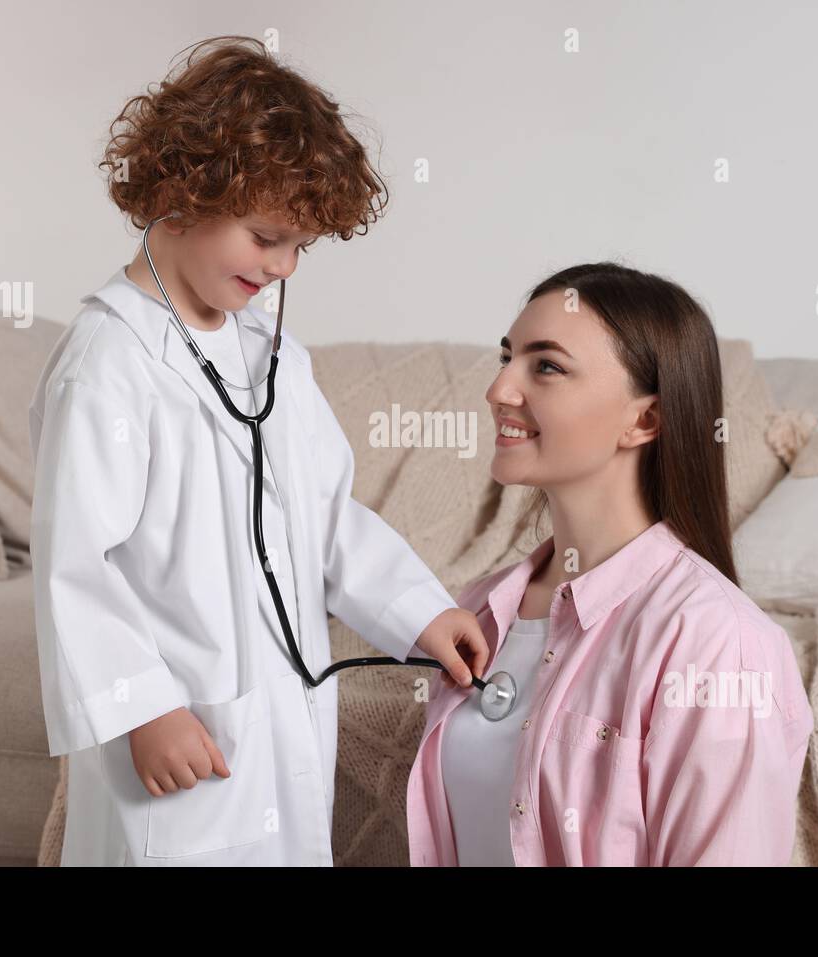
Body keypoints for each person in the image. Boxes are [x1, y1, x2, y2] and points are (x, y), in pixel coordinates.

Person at [29, 35, 487, 867]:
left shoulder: (270, 357)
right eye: (265, 235)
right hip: (180, 726)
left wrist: (420, 609)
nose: (281, 266)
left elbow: (325, 517)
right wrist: (141, 708)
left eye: (300, 247)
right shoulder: (107, 366)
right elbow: (76, 566)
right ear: (180, 190)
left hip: (273, 722)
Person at [406, 263, 814, 866]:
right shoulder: (478, 608)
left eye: (546, 366)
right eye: (506, 358)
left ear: (644, 419)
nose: (498, 390)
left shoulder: (717, 643)